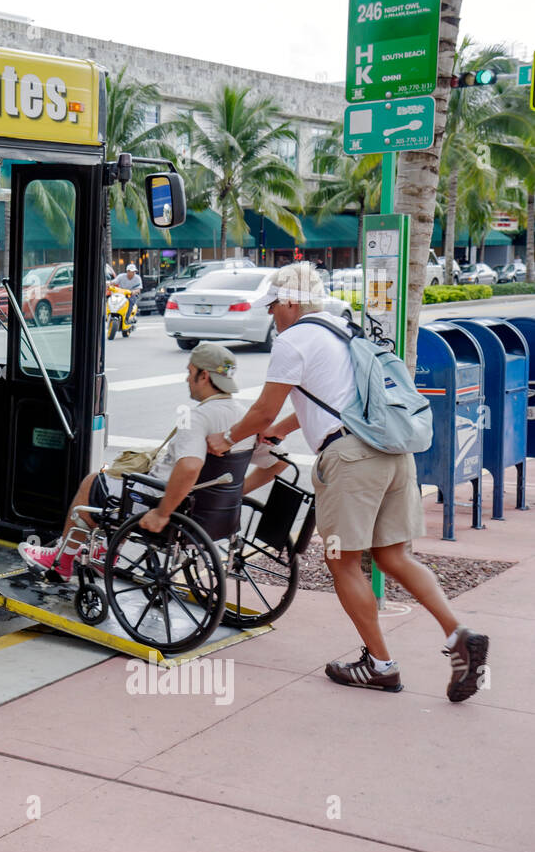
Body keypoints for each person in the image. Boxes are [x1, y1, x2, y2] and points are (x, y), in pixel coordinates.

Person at [207, 261, 488, 702]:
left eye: (274, 305)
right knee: (394, 555)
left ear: (292, 301)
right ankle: (459, 633)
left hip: (351, 464)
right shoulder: (343, 331)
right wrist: (284, 428)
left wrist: (224, 439)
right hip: (391, 454)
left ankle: (380, 666)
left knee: (342, 562)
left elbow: (260, 411)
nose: (271, 314)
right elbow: (333, 401)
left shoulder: (293, 340)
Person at [19, 343, 287, 580]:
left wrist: (162, 513)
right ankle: (104, 556)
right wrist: (234, 493)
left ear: (204, 376)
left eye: (189, 372)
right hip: (213, 512)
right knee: (123, 482)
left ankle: (60, 561)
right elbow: (280, 463)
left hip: (165, 502)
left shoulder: (197, 417)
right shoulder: (243, 420)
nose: (186, 378)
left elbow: (190, 466)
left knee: (93, 484)